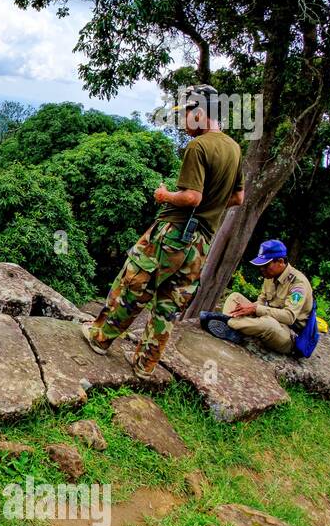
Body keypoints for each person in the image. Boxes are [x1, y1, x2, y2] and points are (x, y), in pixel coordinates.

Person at [82, 85, 245, 376]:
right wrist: (212, 204)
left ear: (200, 112)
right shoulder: (233, 148)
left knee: (135, 281)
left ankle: (101, 338)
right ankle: (145, 364)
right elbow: (237, 198)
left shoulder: (199, 146)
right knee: (170, 303)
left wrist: (165, 195)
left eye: (185, 114)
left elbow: (191, 197)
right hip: (200, 243)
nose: (183, 122)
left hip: (173, 232)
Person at [201, 239, 313, 353]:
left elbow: (289, 317)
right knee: (235, 297)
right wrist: (247, 308)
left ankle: (228, 323)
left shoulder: (298, 284)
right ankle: (235, 329)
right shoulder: (270, 276)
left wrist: (255, 309)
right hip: (265, 317)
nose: (262, 269)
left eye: (265, 265)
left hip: (287, 333)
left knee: (268, 324)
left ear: (280, 261)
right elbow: (261, 301)